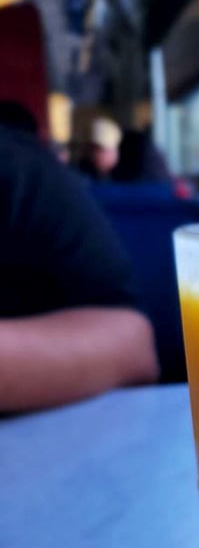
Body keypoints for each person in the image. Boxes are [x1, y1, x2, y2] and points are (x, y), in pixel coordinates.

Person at [0, 114, 159, 413]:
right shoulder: (78, 179)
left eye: (102, 148)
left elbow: (132, 343)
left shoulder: (22, 169)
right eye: (92, 148)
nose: (96, 154)